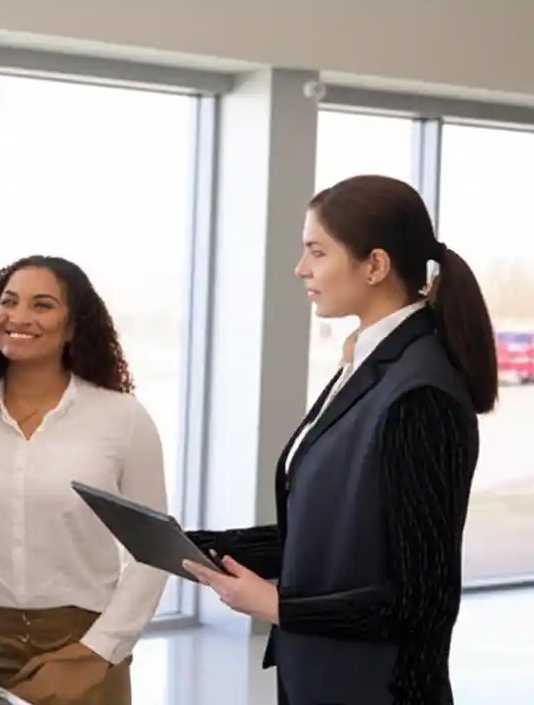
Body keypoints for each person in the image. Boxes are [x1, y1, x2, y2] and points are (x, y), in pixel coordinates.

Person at [182, 174, 497, 705]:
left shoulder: (420, 394)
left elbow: (422, 599)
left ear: (375, 265)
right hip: (323, 675)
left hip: (382, 689)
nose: (301, 269)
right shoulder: (368, 362)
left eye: (317, 252)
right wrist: (204, 546)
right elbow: (339, 535)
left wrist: (277, 606)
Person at [0, 255, 168, 705]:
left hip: (82, 644)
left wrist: (99, 650)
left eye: (42, 305)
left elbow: (154, 550)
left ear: (73, 326)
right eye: (9, 301)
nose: (20, 317)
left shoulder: (122, 419)